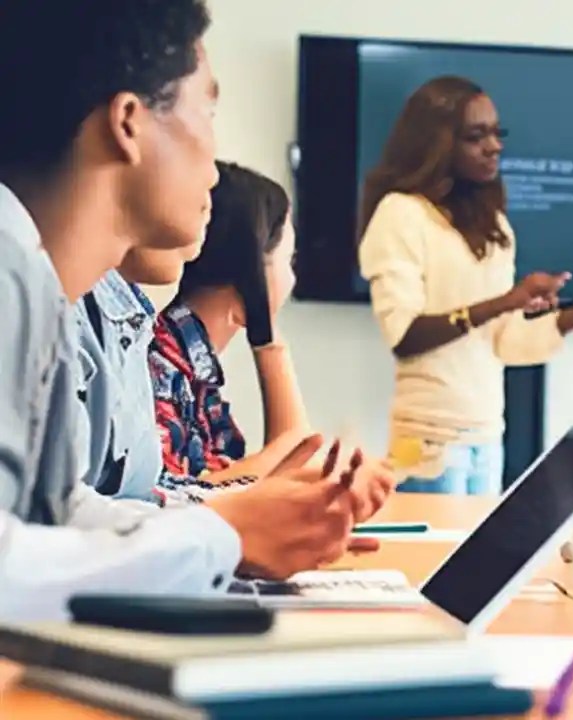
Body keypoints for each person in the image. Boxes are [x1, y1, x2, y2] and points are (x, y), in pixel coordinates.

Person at [0, 0, 384, 622]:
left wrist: (242, 524)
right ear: (128, 123)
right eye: (207, 108)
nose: (216, 154)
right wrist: (224, 536)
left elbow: (59, 512)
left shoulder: (37, 285)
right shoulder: (9, 272)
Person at [359, 75, 573, 495]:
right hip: (425, 441)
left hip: (487, 438)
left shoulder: (494, 227)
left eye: (496, 133)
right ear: (437, 145)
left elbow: (504, 342)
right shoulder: (400, 214)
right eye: (476, 136)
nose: (495, 146)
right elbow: (403, 335)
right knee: (432, 562)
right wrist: (504, 301)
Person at [148, 160, 317, 500]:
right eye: (290, 260)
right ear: (253, 268)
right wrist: (284, 451)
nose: (293, 277)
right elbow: (171, 498)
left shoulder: (193, 368)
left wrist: (267, 339)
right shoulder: (161, 367)